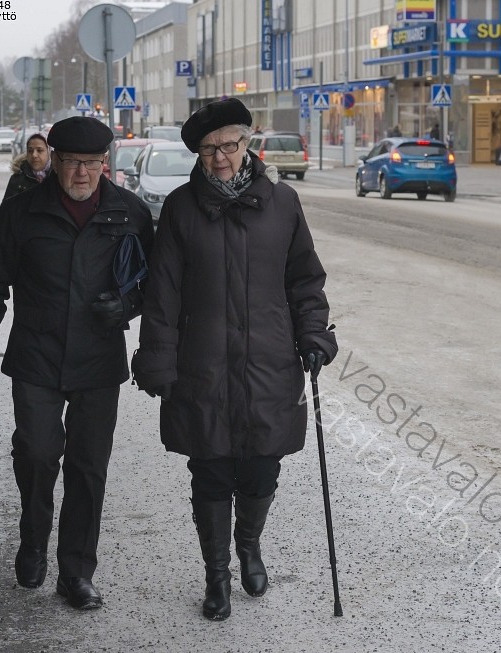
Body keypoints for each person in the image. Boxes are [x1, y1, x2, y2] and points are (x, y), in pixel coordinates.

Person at [130, 98, 338, 621]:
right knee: (212, 469)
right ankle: (216, 574)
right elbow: (163, 295)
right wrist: (157, 358)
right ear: (198, 155)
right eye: (208, 150)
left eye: (229, 145)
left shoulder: (284, 202)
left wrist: (314, 333)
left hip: (269, 362)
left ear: (248, 142)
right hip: (204, 364)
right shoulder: (180, 208)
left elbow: (305, 280)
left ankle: (249, 545)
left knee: (262, 468)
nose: (220, 157)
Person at [0, 116, 154, 611]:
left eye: (91, 164)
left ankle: (75, 573)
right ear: (53, 161)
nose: (81, 174)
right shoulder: (21, 213)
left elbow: (155, 284)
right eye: (71, 163)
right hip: (36, 358)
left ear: (105, 165)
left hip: (97, 361)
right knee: (37, 454)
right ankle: (33, 538)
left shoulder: (129, 212)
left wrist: (128, 306)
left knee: (89, 469)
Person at [3, 133, 51, 201]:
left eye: (39, 150)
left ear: (49, 152)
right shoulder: (17, 179)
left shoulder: (58, 177)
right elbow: (5, 209)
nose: (34, 155)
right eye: (30, 151)